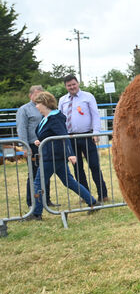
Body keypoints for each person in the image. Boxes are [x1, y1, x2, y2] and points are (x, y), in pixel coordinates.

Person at [25, 91, 96, 221]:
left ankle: (36, 213)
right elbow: (52, 135)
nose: (36, 106)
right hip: (53, 155)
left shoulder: (55, 118)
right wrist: (41, 140)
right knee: (69, 182)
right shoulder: (47, 118)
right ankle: (92, 202)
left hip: (52, 157)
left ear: (44, 103)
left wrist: (71, 154)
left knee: (37, 183)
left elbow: (64, 136)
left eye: (38, 104)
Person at [58, 75, 108, 202]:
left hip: (87, 136)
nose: (72, 87)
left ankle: (103, 194)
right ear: (66, 87)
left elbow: (95, 115)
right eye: (69, 85)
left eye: (73, 84)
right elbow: (59, 119)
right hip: (70, 138)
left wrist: (96, 132)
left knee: (94, 165)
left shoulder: (88, 96)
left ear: (78, 83)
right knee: (77, 168)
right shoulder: (62, 100)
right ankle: (85, 196)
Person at [15, 85, 55, 206]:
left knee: (46, 172)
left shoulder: (46, 107)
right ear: (30, 95)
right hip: (33, 145)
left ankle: (46, 199)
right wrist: (25, 146)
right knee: (34, 174)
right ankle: (32, 201)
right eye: (37, 95)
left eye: (41, 94)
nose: (39, 97)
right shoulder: (24, 109)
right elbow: (21, 128)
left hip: (46, 144)